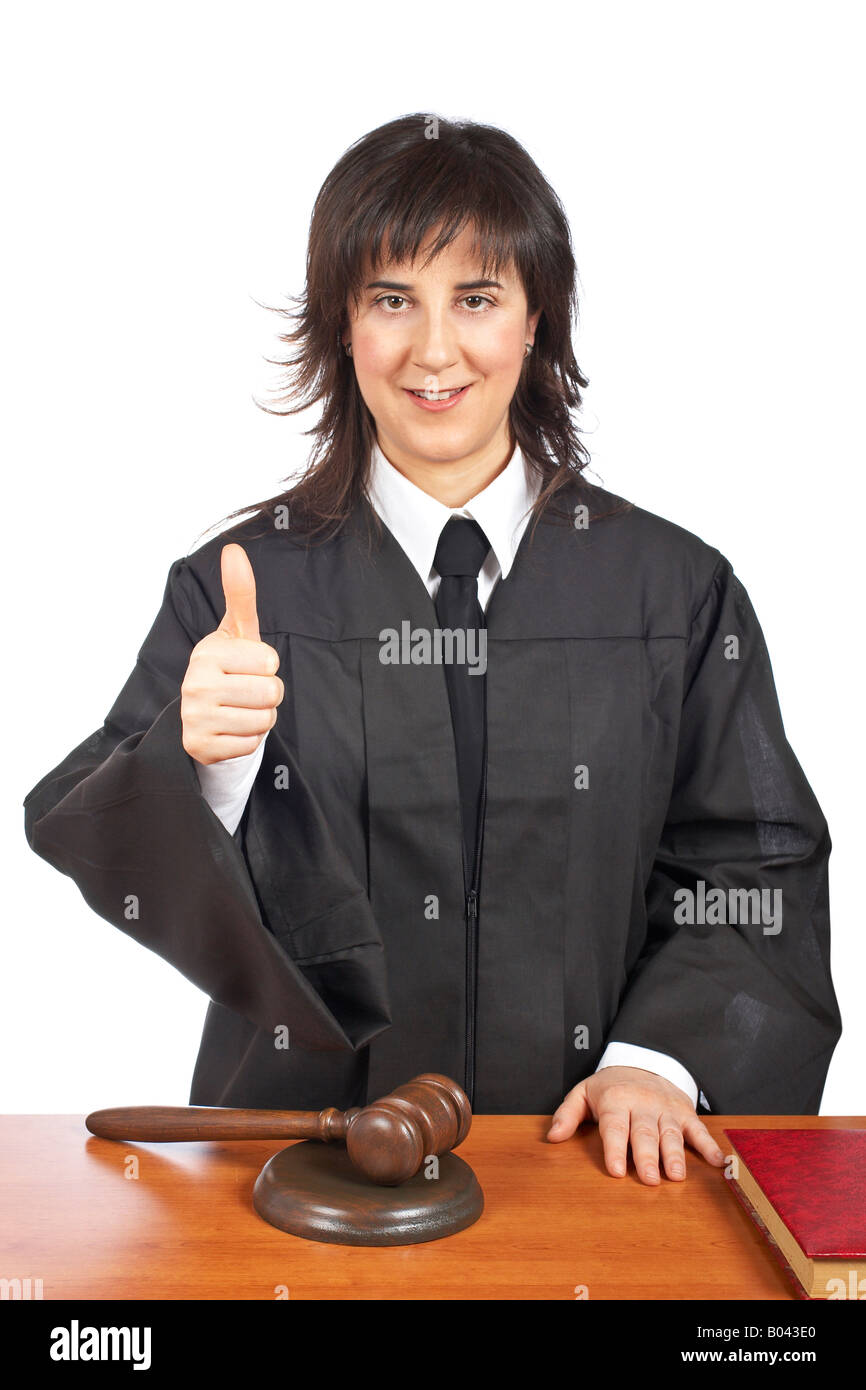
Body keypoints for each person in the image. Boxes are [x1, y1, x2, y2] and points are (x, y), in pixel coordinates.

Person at [24, 113, 842, 1187]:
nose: (434, 351)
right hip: (293, 1168)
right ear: (342, 327)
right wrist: (204, 765)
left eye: (476, 297)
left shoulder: (670, 591)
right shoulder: (242, 592)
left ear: (533, 320)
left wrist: (663, 1058)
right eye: (390, 300)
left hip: (589, 1165)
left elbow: (750, 865)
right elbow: (91, 829)